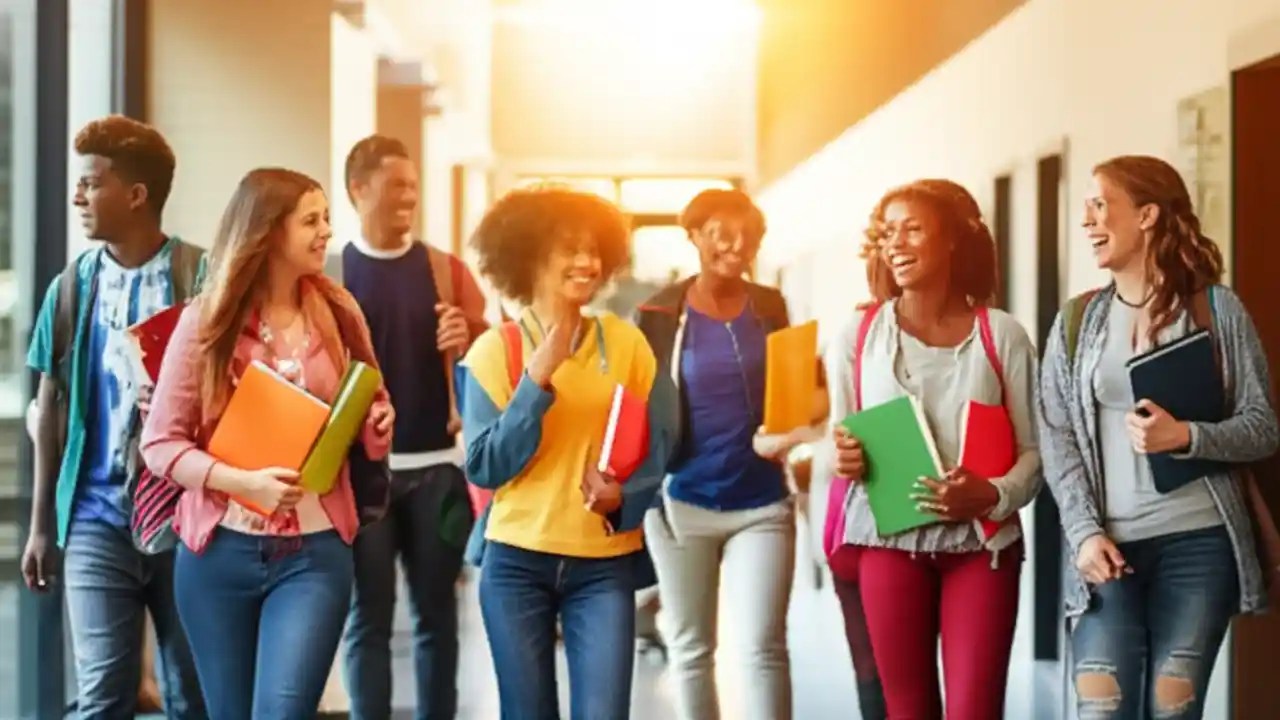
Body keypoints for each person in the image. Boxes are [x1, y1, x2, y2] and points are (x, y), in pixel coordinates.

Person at [140, 167, 395, 718]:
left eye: (326, 217)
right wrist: (241, 482)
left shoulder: (339, 312)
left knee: (283, 710)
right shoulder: (207, 321)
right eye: (311, 220)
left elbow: (371, 405)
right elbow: (160, 445)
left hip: (316, 552)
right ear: (268, 231)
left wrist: (377, 425)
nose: (326, 230)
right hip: (217, 554)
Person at [1038, 155, 1279, 720]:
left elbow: (1263, 426)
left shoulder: (1217, 310)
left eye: (1101, 204)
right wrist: (1082, 534)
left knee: (1174, 711)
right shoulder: (1075, 323)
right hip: (1106, 551)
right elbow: (1058, 439)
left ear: (1146, 215)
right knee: (1103, 708)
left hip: (1200, 544)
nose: (1087, 220)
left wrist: (1185, 436)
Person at [461, 186, 677, 719]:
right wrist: (536, 378)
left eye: (593, 250)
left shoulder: (627, 344)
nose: (586, 262)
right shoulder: (496, 349)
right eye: (569, 249)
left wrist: (622, 495)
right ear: (531, 255)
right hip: (515, 563)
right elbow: (486, 464)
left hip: (603, 567)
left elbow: (664, 441)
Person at [828, 179, 1041, 719]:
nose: (895, 243)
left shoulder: (1002, 335)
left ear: (951, 241)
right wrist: (843, 458)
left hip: (982, 548)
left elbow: (1037, 451)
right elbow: (841, 439)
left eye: (913, 228)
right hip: (888, 541)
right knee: (907, 710)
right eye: (887, 232)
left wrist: (992, 494)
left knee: (975, 710)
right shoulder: (858, 334)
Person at [21, 115, 205, 718]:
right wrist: (43, 525)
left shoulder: (201, 279)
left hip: (186, 522)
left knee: (193, 693)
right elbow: (48, 407)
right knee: (102, 697)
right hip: (96, 517)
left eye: (91, 183)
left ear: (136, 194)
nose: (78, 196)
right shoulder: (70, 288)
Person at [633, 189, 815, 720]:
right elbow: (639, 406)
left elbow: (800, 393)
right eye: (721, 233)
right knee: (692, 651)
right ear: (694, 236)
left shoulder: (770, 307)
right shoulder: (658, 313)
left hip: (762, 504)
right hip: (681, 504)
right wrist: (643, 492)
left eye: (748, 235)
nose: (736, 246)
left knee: (764, 649)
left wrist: (786, 436)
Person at [340, 134, 487, 720]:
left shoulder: (448, 272)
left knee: (437, 621)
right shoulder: (333, 273)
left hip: (436, 474)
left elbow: (500, 361)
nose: (409, 197)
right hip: (362, 479)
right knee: (367, 621)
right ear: (359, 189)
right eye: (396, 185)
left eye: (413, 187)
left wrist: (470, 338)